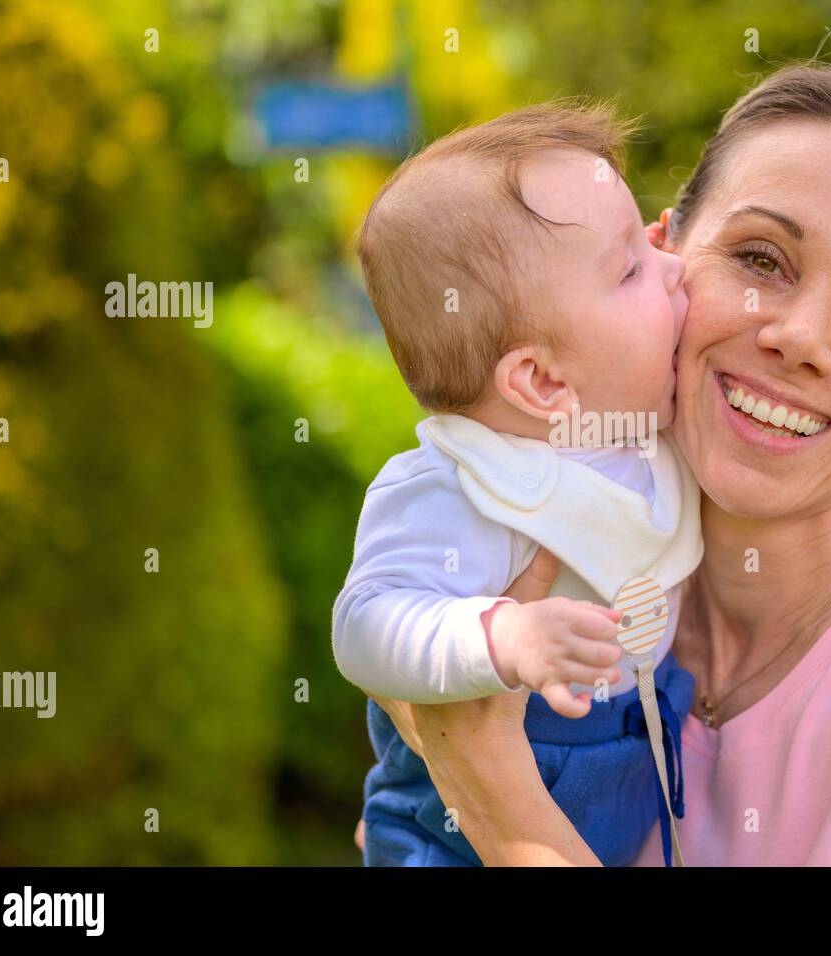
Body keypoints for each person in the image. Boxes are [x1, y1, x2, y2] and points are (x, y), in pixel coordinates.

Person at [368, 45, 831, 866]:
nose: (799, 338)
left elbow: (465, 772)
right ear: (666, 256)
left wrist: (497, 807)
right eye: (761, 260)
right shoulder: (587, 516)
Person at [335, 102, 702, 867]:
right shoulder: (462, 485)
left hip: (623, 778)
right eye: (632, 266)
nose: (677, 267)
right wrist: (501, 636)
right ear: (540, 380)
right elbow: (365, 624)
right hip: (451, 835)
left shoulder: (647, 427)